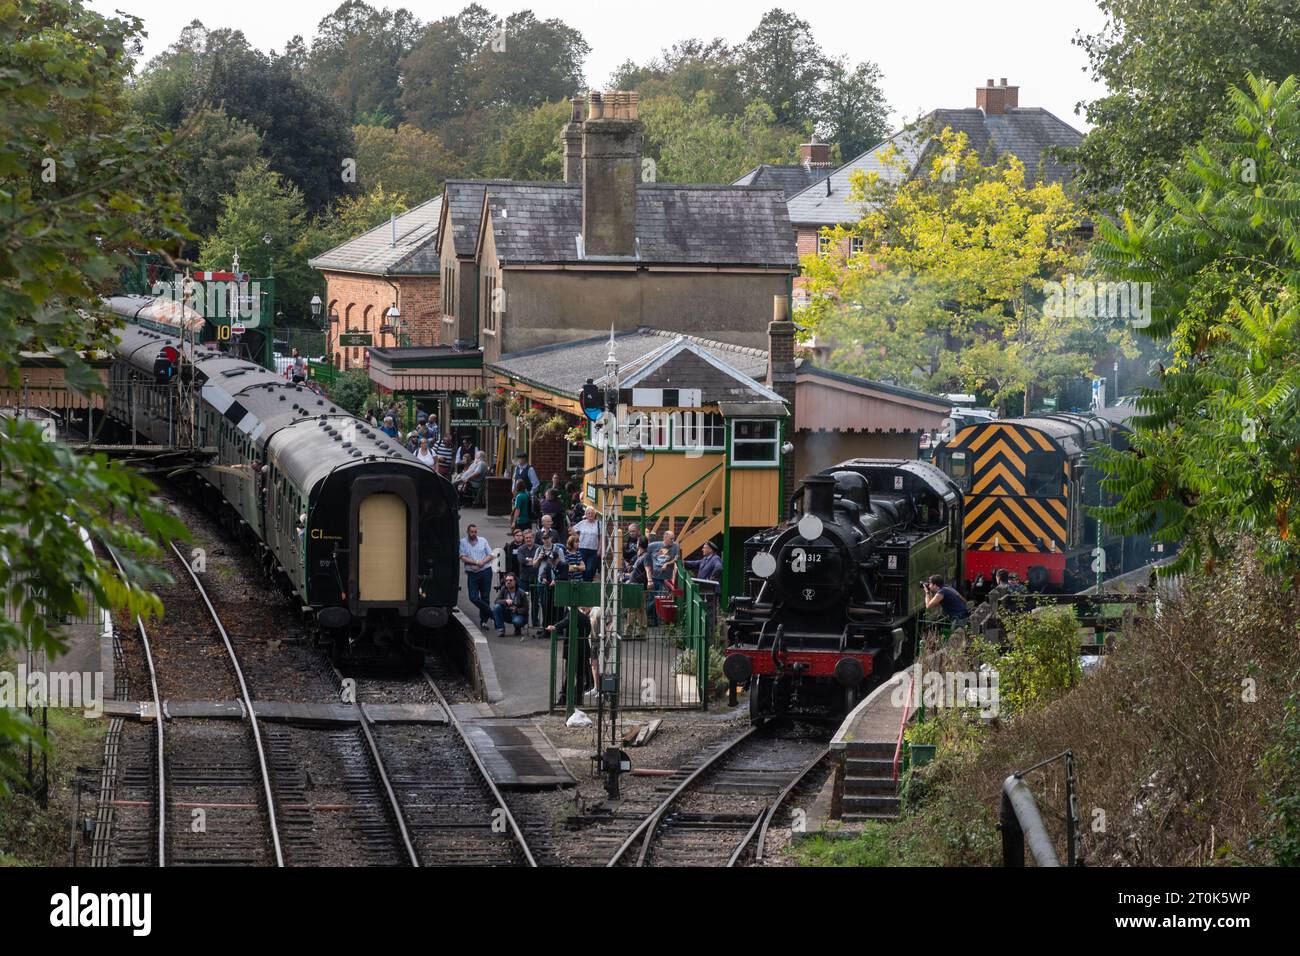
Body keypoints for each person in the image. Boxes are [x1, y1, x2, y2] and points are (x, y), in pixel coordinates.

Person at [459, 524, 494, 628]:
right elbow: (462, 557)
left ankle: (484, 621)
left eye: (475, 532)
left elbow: (490, 555)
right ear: (468, 532)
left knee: (485, 596)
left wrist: (482, 562)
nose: (474, 534)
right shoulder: (463, 542)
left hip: (485, 571)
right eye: (472, 532)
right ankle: (492, 614)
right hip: (472, 574)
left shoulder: (483, 540)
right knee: (473, 597)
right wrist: (476, 562)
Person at [515, 529, 541, 632]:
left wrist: (530, 560)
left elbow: (540, 560)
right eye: (526, 538)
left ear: (533, 538)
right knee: (522, 602)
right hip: (524, 579)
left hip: (535, 578)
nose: (528, 539)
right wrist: (533, 561)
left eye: (530, 537)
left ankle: (535, 621)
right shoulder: (521, 549)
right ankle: (521, 623)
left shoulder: (539, 548)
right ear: (524, 539)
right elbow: (521, 560)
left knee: (535, 601)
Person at [573, 507, 601, 582]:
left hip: (593, 550)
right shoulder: (582, 523)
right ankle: (583, 583)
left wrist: (599, 549)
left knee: (590, 569)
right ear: (586, 514)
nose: (590, 515)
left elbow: (600, 537)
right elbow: (572, 529)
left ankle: (588, 582)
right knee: (582, 568)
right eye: (588, 513)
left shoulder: (598, 523)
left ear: (595, 514)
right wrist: (578, 537)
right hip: (582, 548)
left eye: (592, 513)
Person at [649, 529, 681, 595]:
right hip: (654, 577)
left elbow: (676, 559)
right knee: (652, 598)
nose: (672, 541)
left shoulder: (676, 546)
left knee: (662, 596)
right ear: (665, 538)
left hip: (666, 578)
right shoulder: (654, 545)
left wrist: (667, 564)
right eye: (671, 539)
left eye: (673, 539)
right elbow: (644, 551)